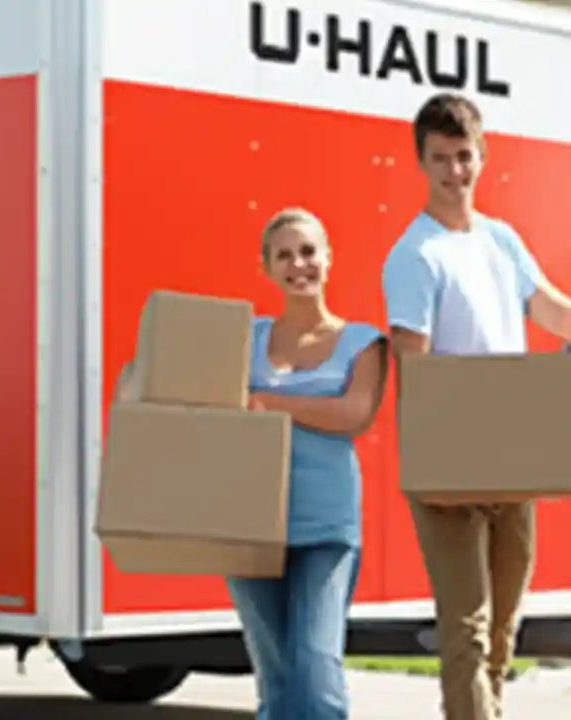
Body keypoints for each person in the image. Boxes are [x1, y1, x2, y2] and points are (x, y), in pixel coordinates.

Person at [380, 94, 571, 720]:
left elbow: (551, 310)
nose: (454, 171)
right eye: (440, 159)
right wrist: (445, 456)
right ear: (421, 163)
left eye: (464, 157)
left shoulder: (501, 241)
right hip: (451, 459)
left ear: (482, 156)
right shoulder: (414, 256)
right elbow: (413, 365)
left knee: (501, 630)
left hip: (512, 456)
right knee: (465, 627)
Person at [227, 207, 389, 719]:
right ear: (267, 268)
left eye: (308, 251)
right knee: (276, 683)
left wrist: (268, 403)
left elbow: (353, 415)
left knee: (317, 674)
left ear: (328, 258)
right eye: (284, 255)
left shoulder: (363, 343)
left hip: (325, 526)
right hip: (248, 524)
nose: (299, 264)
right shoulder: (245, 338)